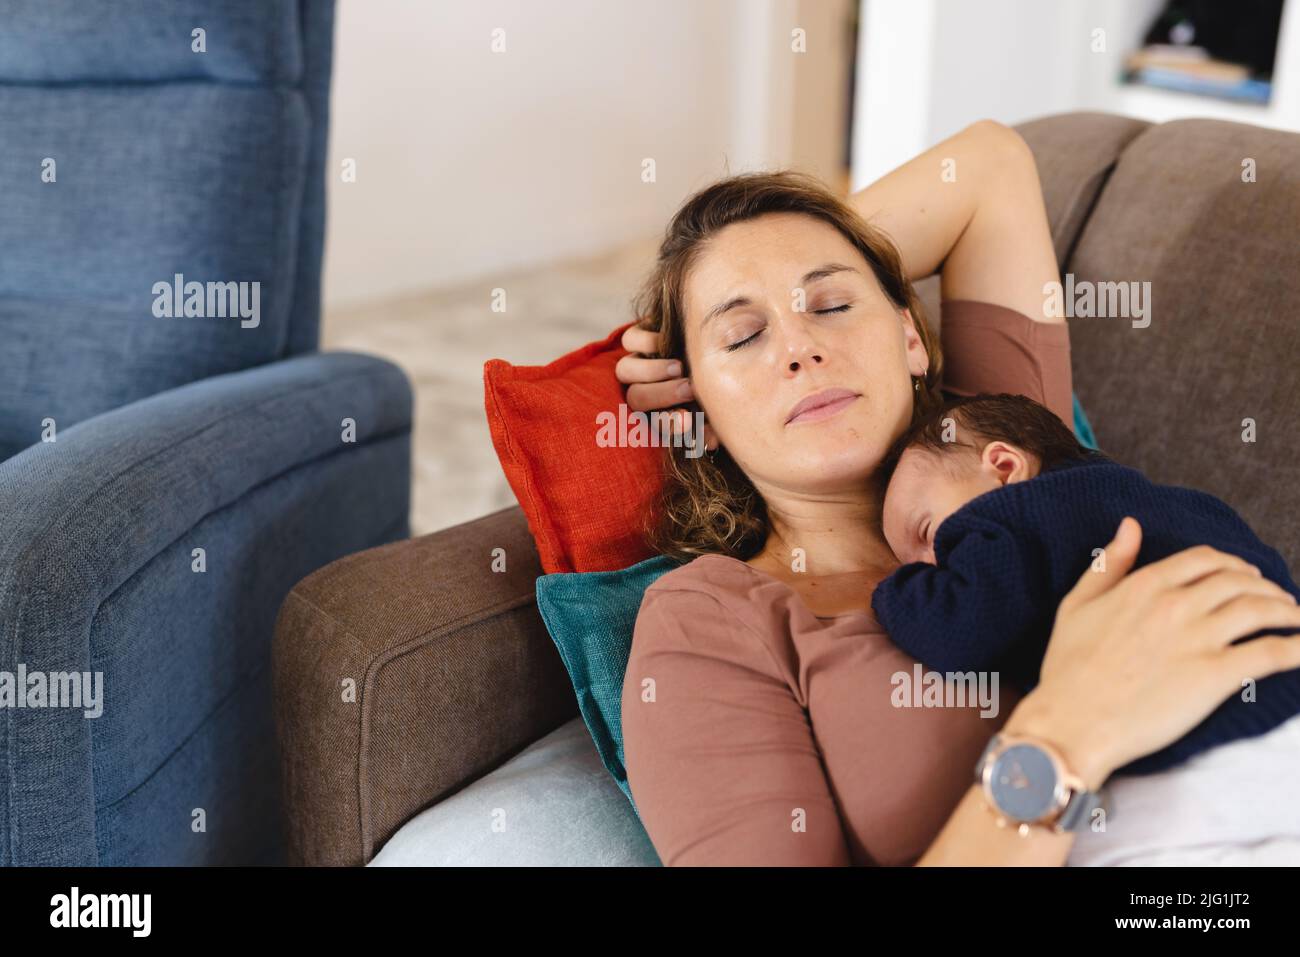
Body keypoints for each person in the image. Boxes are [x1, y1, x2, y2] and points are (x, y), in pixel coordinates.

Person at [611, 119, 1300, 865]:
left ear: (911, 337)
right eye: (743, 338)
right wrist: (1068, 728)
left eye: (834, 307)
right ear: (695, 413)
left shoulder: (996, 450)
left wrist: (795, 262)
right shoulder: (708, 622)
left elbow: (988, 167)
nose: (799, 348)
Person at [869, 390, 1300, 775]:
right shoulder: (1178, 502)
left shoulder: (1014, 521)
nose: (929, 565)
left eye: (926, 534)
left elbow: (958, 632)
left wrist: (890, 588)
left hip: (1210, 741)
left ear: (1003, 468)